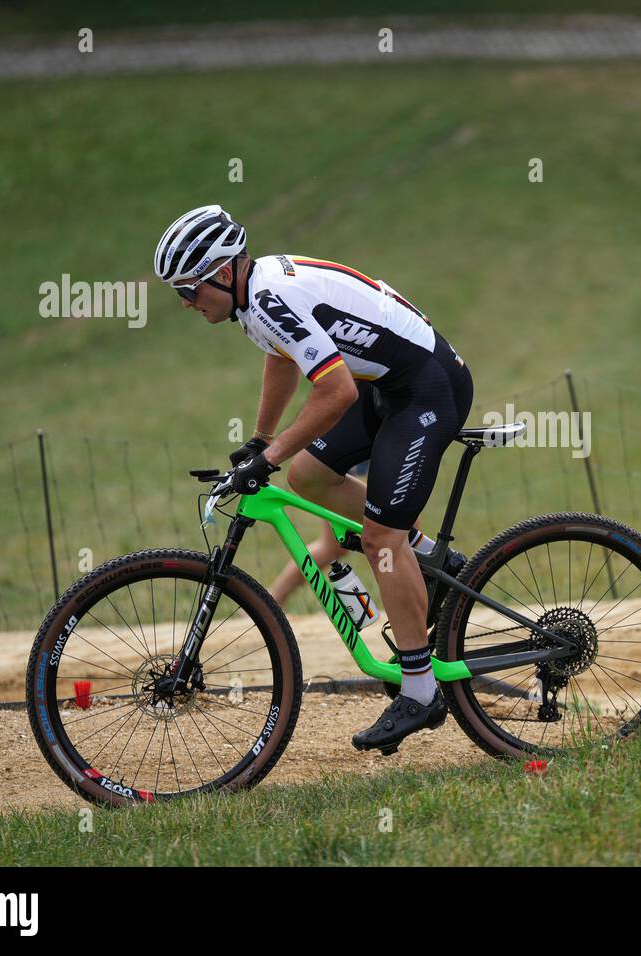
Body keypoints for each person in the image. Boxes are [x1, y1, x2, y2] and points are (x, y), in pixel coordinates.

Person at [154, 204, 473, 752]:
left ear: (223, 273)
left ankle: (421, 693)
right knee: (308, 473)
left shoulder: (268, 296)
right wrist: (261, 440)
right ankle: (430, 558)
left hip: (426, 389)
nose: (185, 304)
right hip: (387, 385)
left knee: (379, 541)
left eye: (188, 290)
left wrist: (267, 457)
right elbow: (283, 356)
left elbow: (336, 392)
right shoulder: (254, 300)